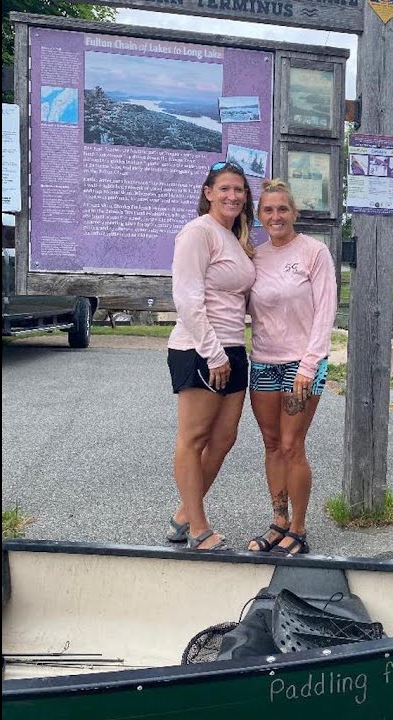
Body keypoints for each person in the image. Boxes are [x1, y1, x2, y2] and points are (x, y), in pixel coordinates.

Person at [164, 161, 256, 551]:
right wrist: (213, 353)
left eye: (239, 190)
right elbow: (186, 299)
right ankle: (199, 529)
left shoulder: (231, 236)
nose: (233, 196)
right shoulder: (197, 232)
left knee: (224, 438)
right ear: (208, 193)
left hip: (234, 348)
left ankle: (182, 515)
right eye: (225, 189)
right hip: (201, 349)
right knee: (194, 437)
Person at [244, 179, 338, 555]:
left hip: (303, 363)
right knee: (271, 445)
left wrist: (310, 364)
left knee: (292, 444)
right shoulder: (254, 256)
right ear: (259, 216)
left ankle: (298, 527)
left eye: (282, 209)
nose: (276, 216)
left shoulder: (314, 252)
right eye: (268, 210)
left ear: (294, 213)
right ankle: (278, 521)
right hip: (264, 361)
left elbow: (325, 310)